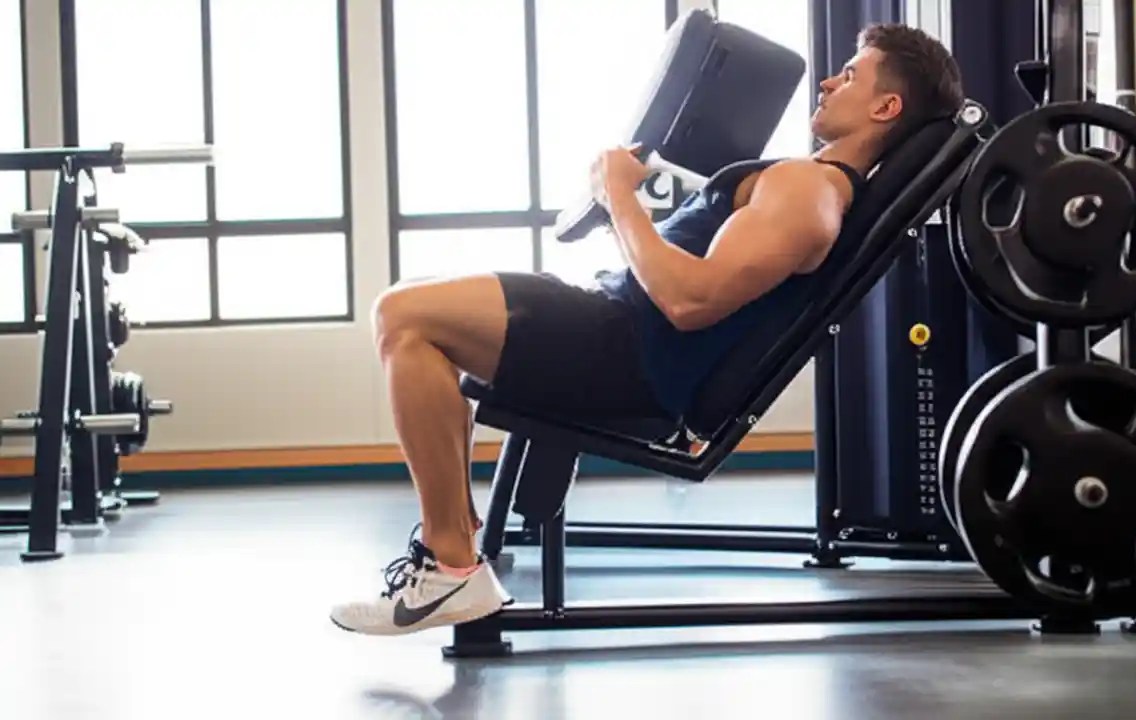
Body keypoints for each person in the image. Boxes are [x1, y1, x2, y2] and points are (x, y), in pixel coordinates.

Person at [329, 23, 964, 636]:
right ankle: (455, 550)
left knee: (405, 316)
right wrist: (629, 209)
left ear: (887, 106)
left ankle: (452, 568)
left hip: (625, 347)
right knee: (410, 313)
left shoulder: (811, 193)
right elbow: (686, 272)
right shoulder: (799, 181)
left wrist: (619, 197)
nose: (828, 83)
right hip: (613, 318)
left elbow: (691, 301)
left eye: (849, 75)